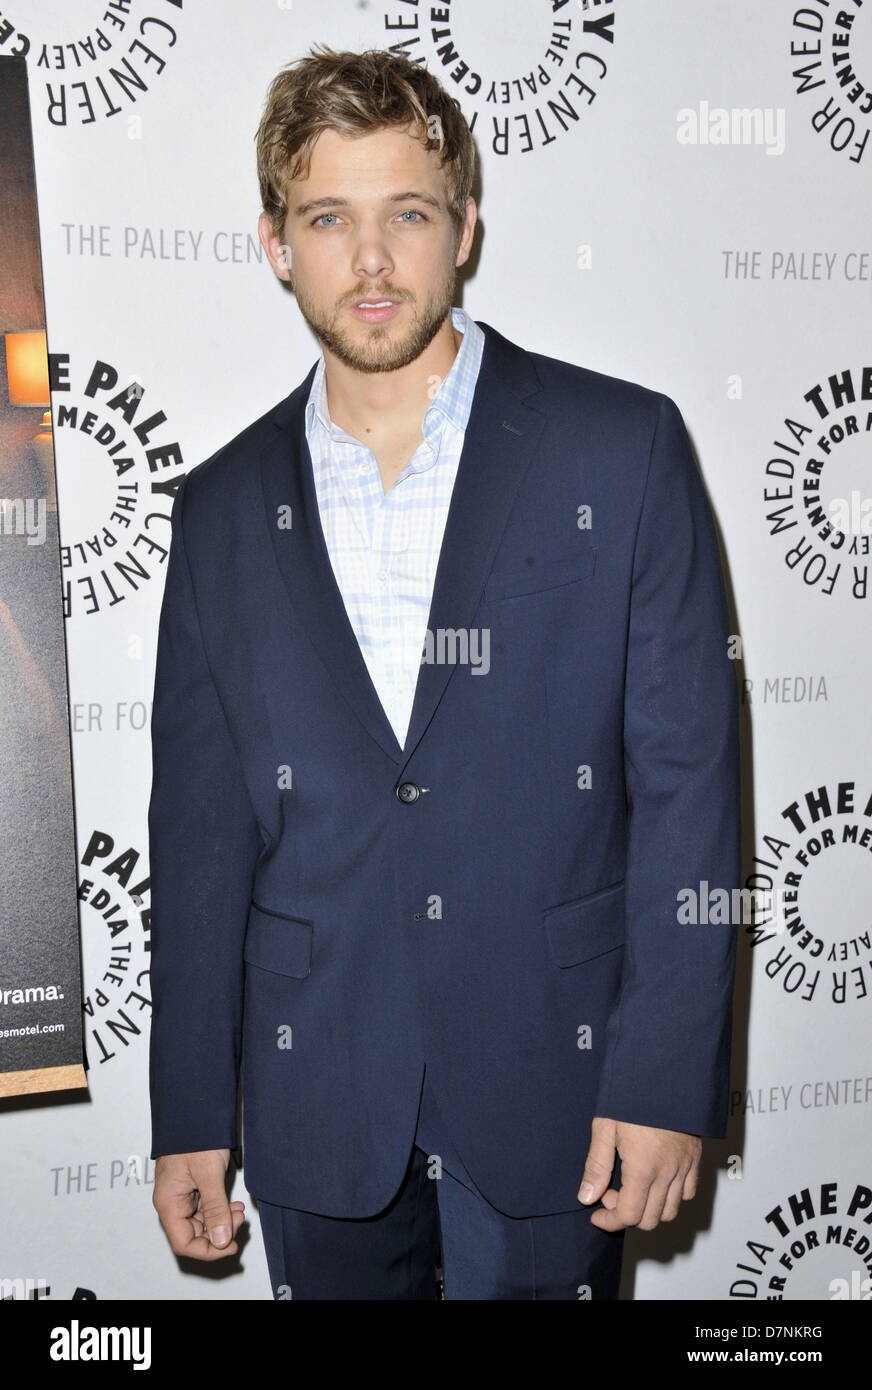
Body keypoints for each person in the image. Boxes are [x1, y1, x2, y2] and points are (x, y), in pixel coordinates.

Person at [148, 44, 741, 1301]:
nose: (370, 262)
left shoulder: (618, 450)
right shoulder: (216, 511)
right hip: (318, 1105)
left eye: (406, 214)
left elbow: (688, 788)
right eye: (328, 220)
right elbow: (199, 842)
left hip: (557, 1091)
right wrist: (189, 1110)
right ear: (274, 242)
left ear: (463, 226)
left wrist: (658, 1075)